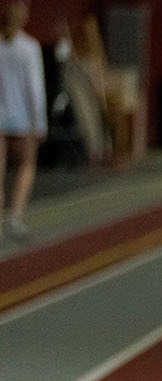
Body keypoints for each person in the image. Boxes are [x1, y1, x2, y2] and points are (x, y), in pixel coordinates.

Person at [0, 0, 45, 241]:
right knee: (26, 166)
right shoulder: (29, 48)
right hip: (21, 119)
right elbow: (35, 90)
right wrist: (39, 123)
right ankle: (15, 217)